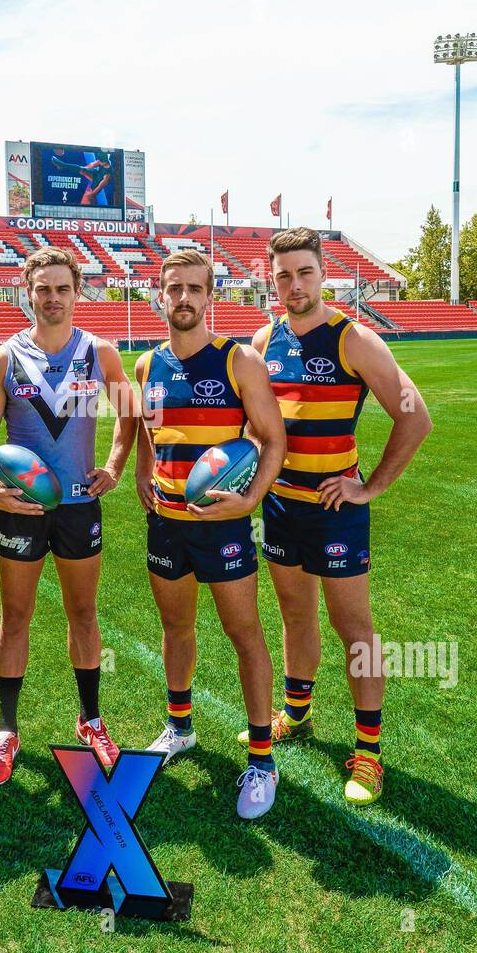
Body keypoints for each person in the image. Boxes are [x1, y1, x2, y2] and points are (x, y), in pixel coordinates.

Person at [236, 227, 433, 806]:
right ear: (271, 281)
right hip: (279, 507)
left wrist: (367, 487)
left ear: (323, 273)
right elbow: (256, 421)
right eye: (283, 276)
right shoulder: (264, 336)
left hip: (334, 512)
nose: (294, 285)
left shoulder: (354, 340)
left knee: (355, 630)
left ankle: (368, 751)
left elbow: (414, 417)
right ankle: (297, 713)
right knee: (295, 616)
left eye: (304, 273)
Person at [0, 247, 138, 785]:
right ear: (28, 292)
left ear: (77, 291)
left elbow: (130, 415)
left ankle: (91, 719)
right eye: (42, 288)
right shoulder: (3, 358)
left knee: (83, 614)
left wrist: (114, 466)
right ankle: (6, 729)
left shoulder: (101, 352)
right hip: (23, 509)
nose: (52, 298)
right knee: (15, 617)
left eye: (62, 288)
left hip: (78, 506)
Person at [135, 250, 287, 820]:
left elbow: (273, 440)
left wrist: (249, 500)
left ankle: (262, 760)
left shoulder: (239, 360)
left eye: (194, 289)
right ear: (161, 294)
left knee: (244, 634)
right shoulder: (147, 364)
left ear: (210, 295)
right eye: (174, 289)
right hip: (166, 525)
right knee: (176, 628)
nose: (183, 299)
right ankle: (180, 728)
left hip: (222, 528)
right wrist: (139, 474)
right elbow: (146, 432)